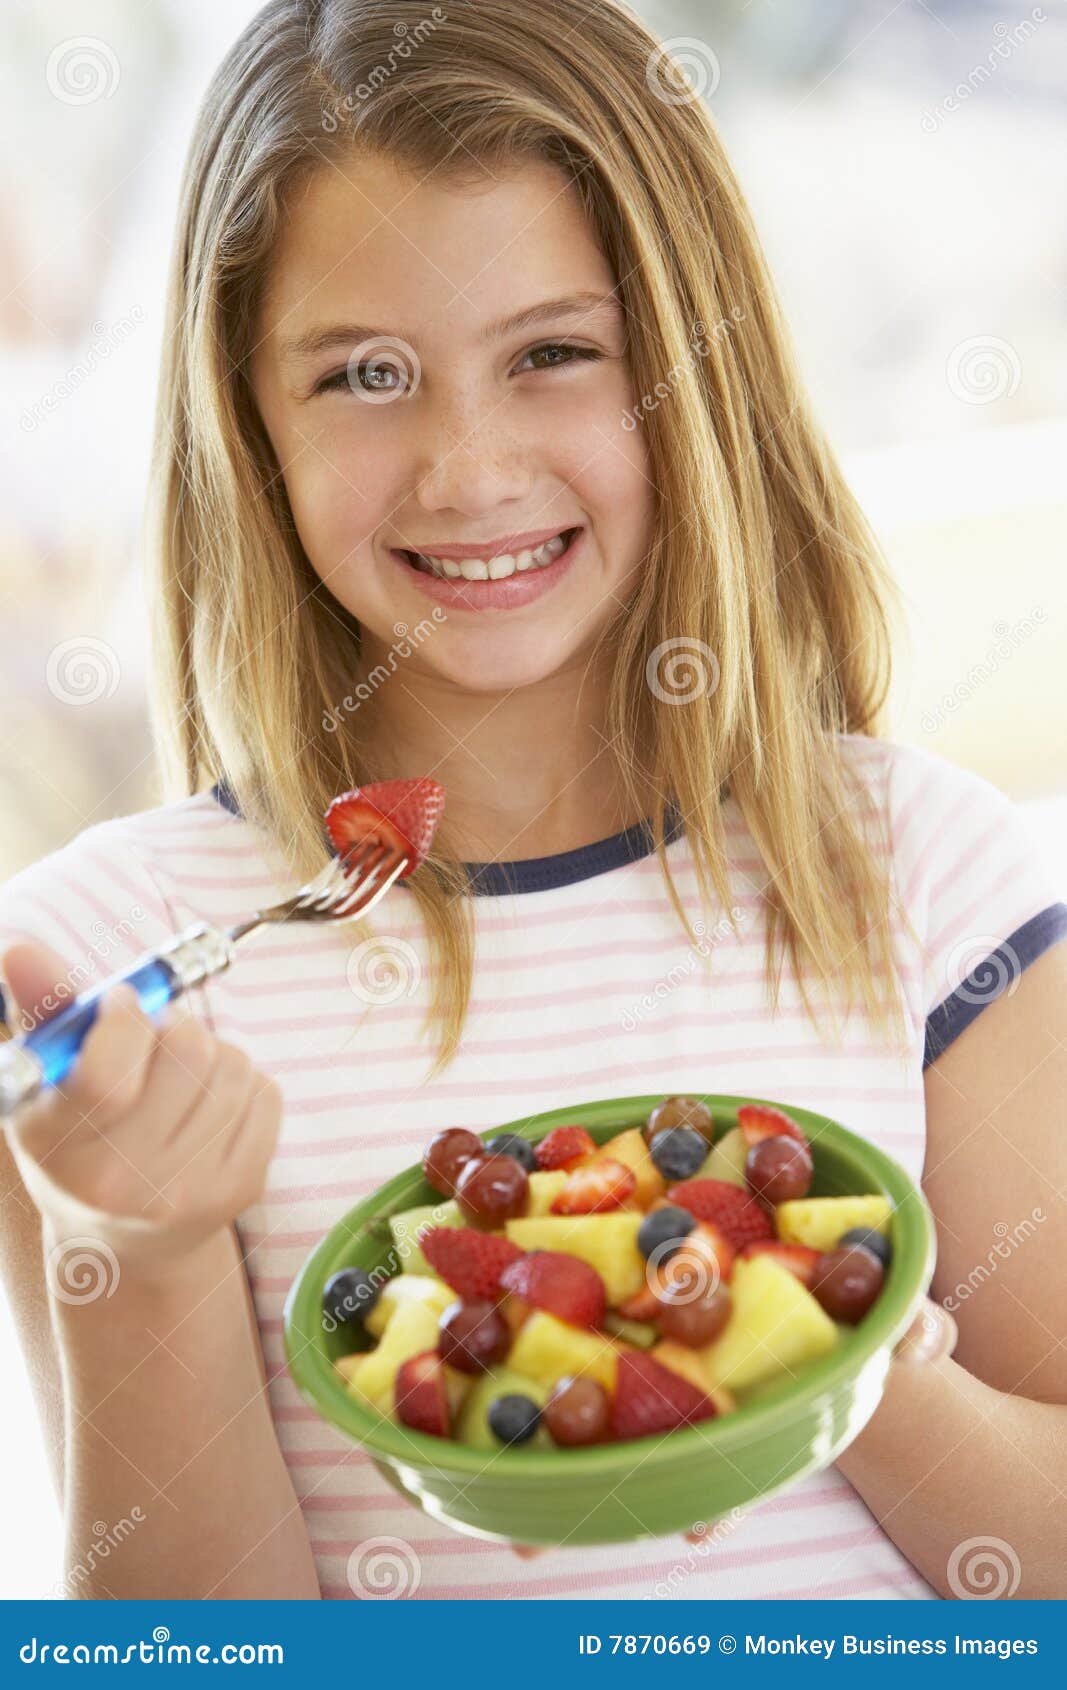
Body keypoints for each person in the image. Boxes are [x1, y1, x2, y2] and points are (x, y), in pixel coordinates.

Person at [1, 0, 1065, 1601]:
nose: (468, 468)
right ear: (248, 415)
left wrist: (774, 1335)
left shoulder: (927, 876)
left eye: (554, 354)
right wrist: (140, 1259)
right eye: (366, 373)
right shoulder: (109, 975)